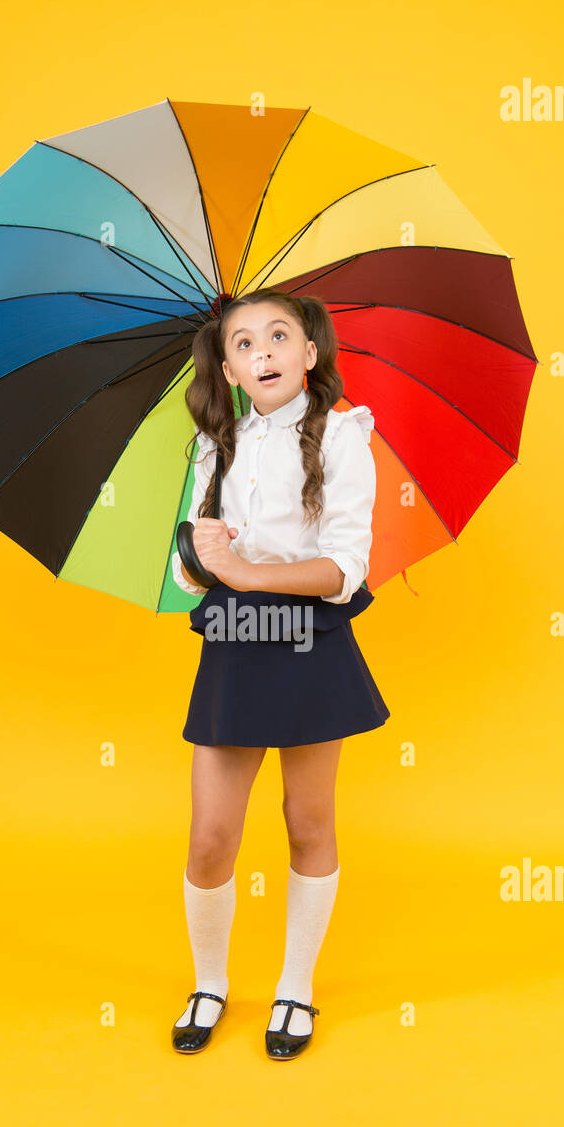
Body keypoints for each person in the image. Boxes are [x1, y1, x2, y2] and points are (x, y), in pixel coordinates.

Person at [170, 289, 390, 1060]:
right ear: (226, 366)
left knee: (306, 822)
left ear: (309, 353)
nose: (260, 352)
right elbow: (192, 575)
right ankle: (209, 982)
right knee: (210, 837)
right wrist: (201, 555)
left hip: (306, 643)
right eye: (242, 344)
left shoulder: (340, 436)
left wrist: (247, 572)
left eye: (277, 337)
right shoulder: (213, 445)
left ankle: (295, 989)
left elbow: (342, 569)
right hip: (233, 642)